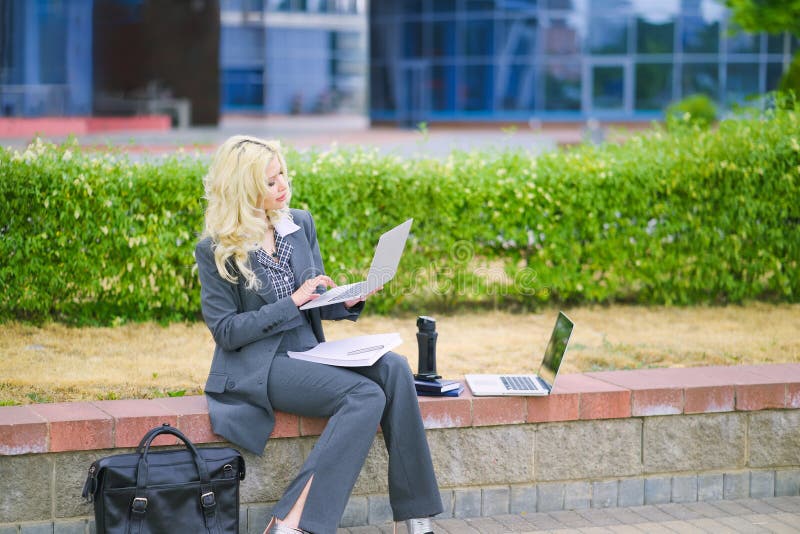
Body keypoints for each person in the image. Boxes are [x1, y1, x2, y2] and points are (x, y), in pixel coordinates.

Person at [195, 135, 443, 534]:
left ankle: (416, 518)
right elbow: (226, 332)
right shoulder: (216, 249)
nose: (283, 186)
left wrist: (345, 300)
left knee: (395, 368)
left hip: (308, 352)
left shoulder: (298, 224)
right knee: (365, 395)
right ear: (244, 189)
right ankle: (291, 521)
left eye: (283, 175)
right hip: (260, 365)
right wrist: (291, 302)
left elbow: (314, 298)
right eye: (271, 181)